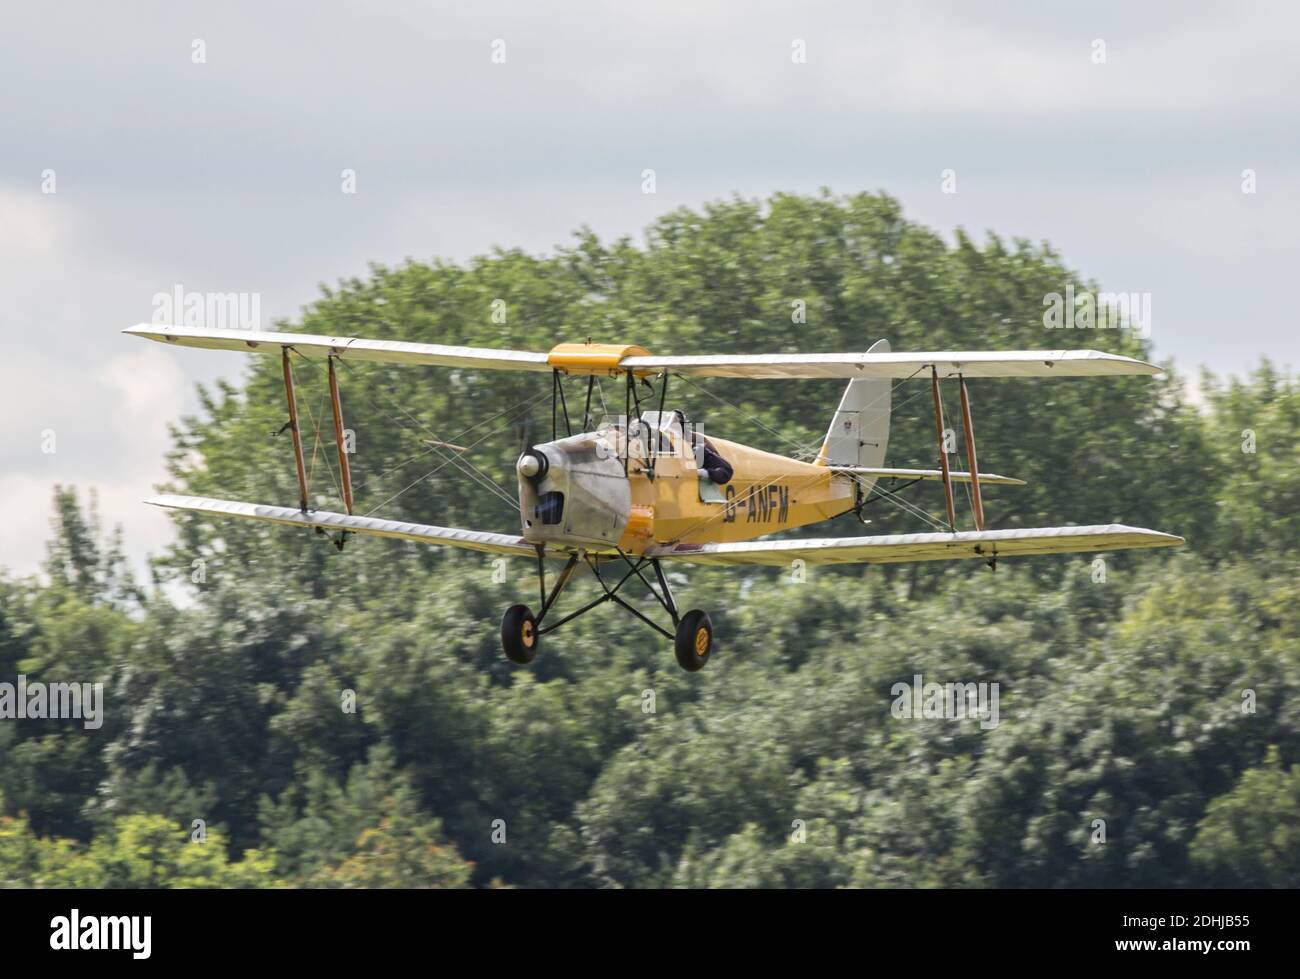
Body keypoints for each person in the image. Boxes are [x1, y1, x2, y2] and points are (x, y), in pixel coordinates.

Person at [673, 410, 733, 485]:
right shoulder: (657, 447)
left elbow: (726, 471)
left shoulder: (695, 449)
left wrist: (700, 472)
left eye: (676, 428)